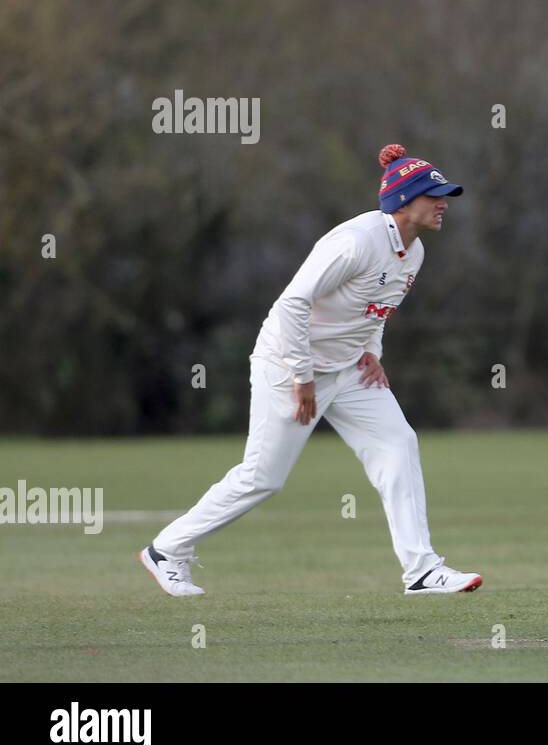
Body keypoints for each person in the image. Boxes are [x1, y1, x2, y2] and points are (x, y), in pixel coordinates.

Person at [140, 144, 483, 598]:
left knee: (397, 444)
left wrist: (372, 350)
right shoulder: (355, 241)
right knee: (262, 477)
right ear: (403, 201)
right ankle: (167, 550)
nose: (443, 203)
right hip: (288, 364)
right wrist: (302, 378)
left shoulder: (415, 253)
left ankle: (421, 569)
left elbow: (376, 310)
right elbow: (292, 304)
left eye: (445, 195)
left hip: (349, 370)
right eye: (434, 195)